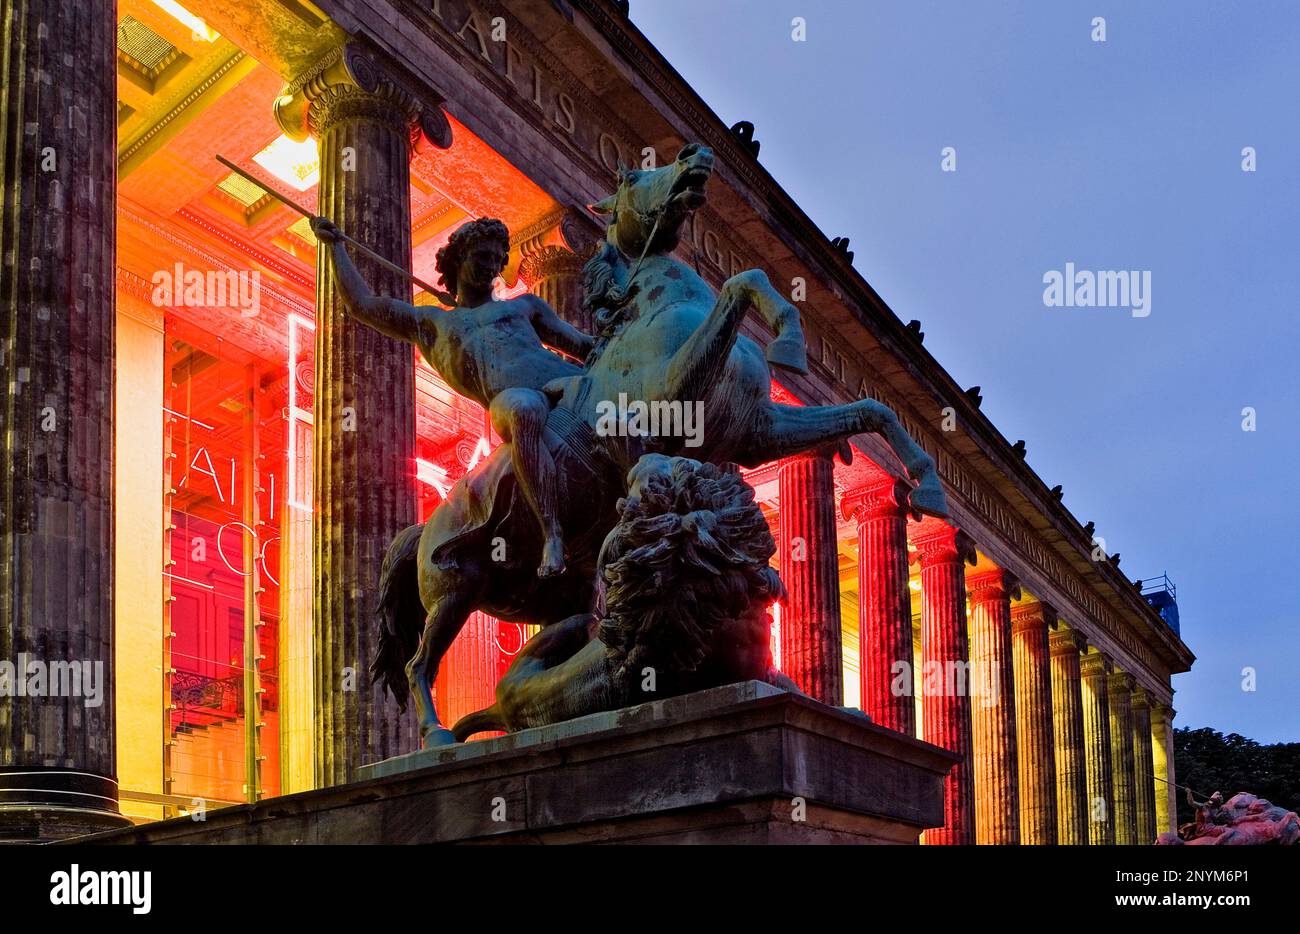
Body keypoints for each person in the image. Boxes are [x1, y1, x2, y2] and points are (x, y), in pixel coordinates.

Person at [312, 215, 594, 577]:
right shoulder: (433, 324)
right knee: (523, 409)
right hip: (516, 399)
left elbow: (580, 345)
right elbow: (363, 305)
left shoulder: (524, 306)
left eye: (497, 259)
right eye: (482, 257)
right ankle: (552, 533)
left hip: (567, 382)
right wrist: (336, 248)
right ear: (459, 260)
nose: (492, 266)